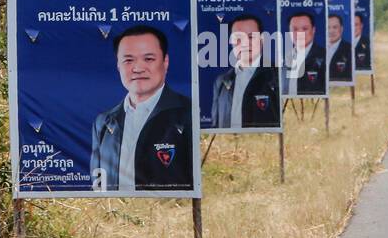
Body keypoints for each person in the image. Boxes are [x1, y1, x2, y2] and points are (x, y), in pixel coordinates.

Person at [91, 24, 194, 191]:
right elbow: (97, 186)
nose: (138, 68)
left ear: (165, 62)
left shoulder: (189, 114)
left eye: (149, 59)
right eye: (128, 60)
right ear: (118, 65)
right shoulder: (103, 123)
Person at [211, 13, 280, 129]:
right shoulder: (221, 81)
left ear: (262, 39)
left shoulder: (277, 76)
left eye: (251, 37)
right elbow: (216, 126)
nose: (244, 44)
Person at [283, 9, 326, 96]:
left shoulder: (325, 57)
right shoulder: (283, 60)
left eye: (305, 29)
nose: (299, 33)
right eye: (295, 29)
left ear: (313, 30)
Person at [327, 12, 352, 81]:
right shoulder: (317, 50)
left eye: (335, 27)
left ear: (341, 29)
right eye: (328, 27)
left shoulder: (350, 50)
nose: (331, 31)